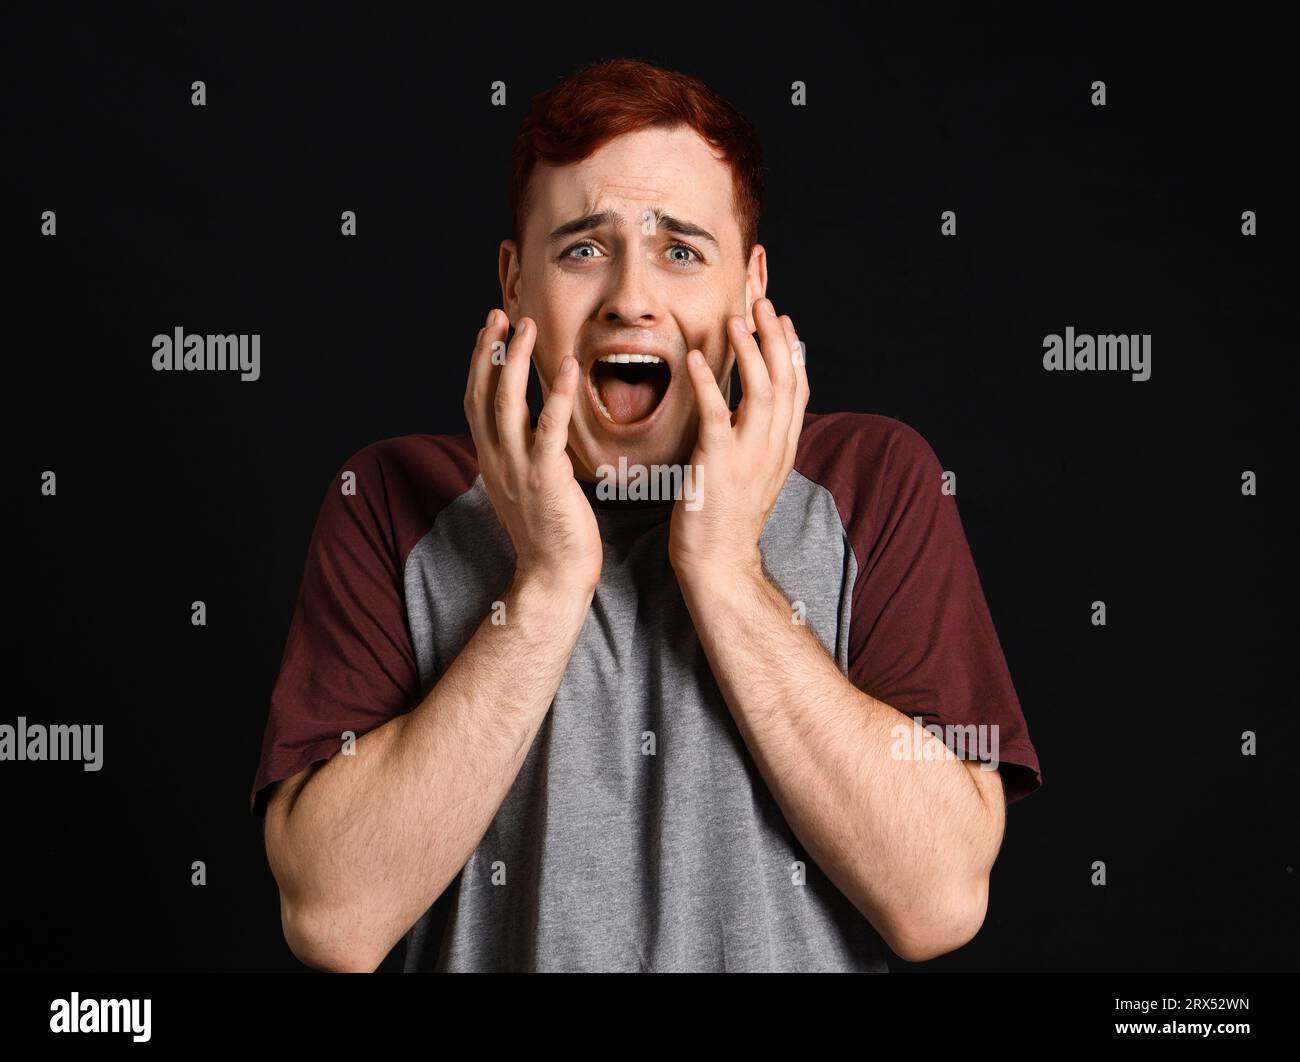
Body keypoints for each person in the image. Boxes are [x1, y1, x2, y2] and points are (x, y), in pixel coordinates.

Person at [249, 57, 1042, 972]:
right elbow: (332, 917)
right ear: (514, 284)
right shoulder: (394, 500)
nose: (631, 297)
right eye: (583, 248)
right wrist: (546, 583)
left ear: (751, 288)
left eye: (680, 250)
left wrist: (726, 570)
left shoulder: (873, 482)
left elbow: (937, 897)